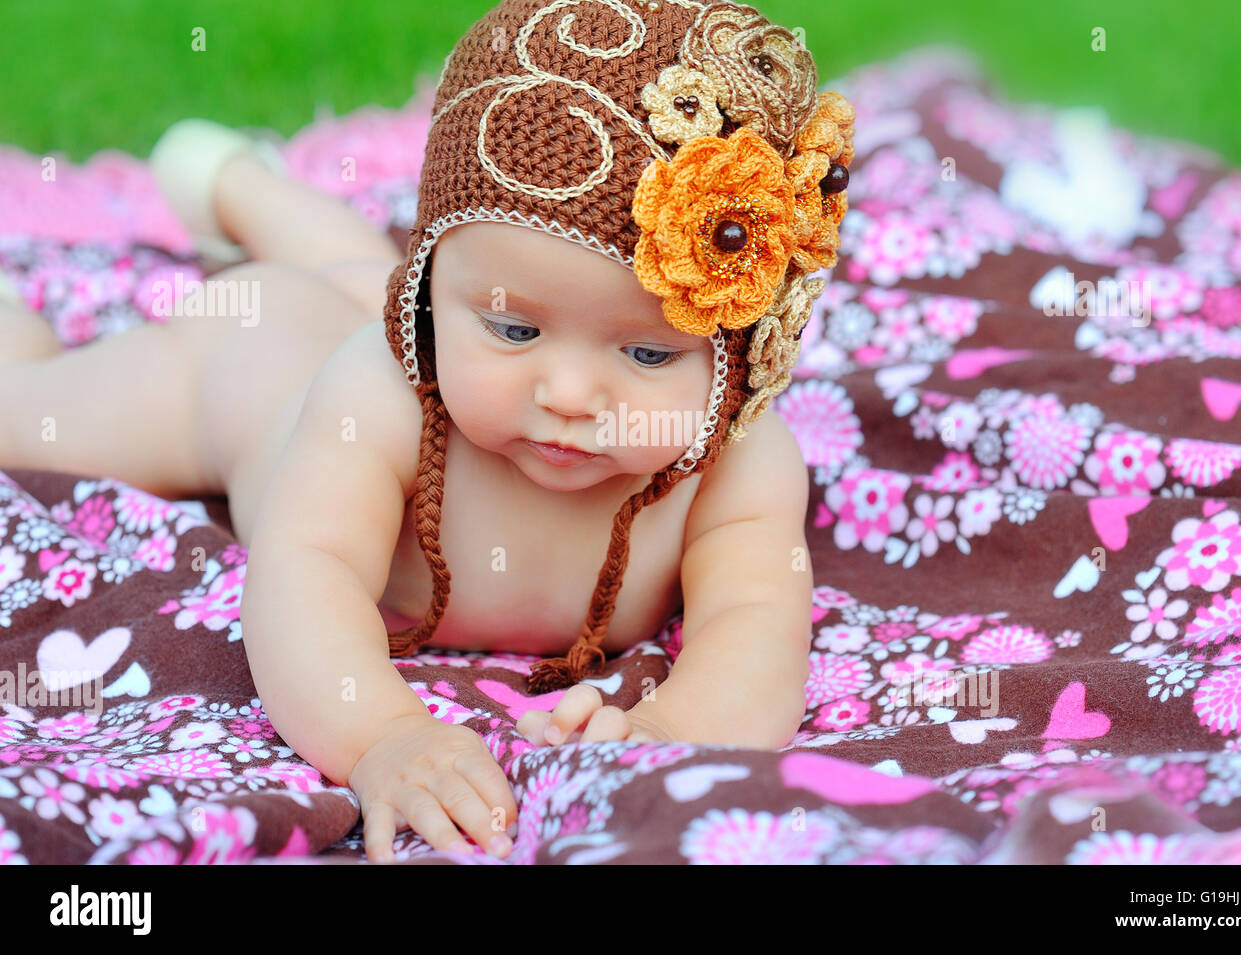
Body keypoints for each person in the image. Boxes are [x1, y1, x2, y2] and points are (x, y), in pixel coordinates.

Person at [0, 0, 854, 863]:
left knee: (359, 270)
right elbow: (307, 571)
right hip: (258, 363)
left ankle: (239, 182)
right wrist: (381, 734)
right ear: (429, 292)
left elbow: (757, 626)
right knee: (32, 415)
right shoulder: (379, 396)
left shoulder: (738, 463)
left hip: (406, 296)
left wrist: (673, 731)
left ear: (737, 359)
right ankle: (227, 199)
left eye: (645, 351)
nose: (566, 393)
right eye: (514, 332)